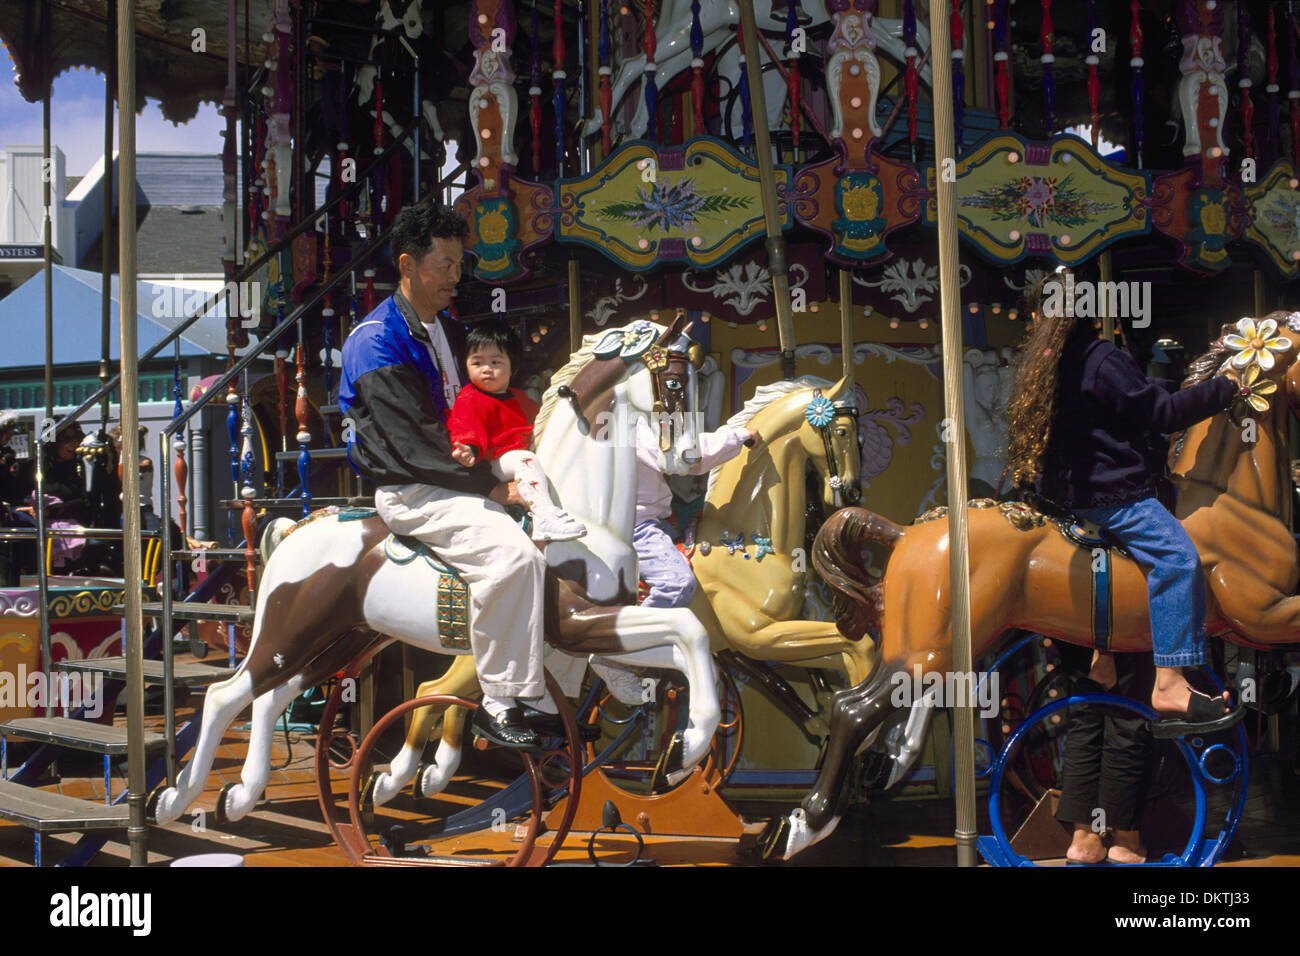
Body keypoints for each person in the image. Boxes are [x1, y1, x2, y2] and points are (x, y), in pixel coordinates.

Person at [339, 203, 561, 750]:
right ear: (409, 264)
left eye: (460, 265)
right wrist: (490, 485)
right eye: (445, 265)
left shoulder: (450, 329)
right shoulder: (375, 341)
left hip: (450, 477)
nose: (455, 278)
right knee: (514, 556)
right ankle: (501, 700)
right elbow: (412, 442)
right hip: (416, 487)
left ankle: (549, 690)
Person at [1004, 272, 1245, 738]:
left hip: (1067, 495)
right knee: (1177, 560)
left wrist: (1162, 378)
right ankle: (1171, 682)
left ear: (1041, 316)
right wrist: (1227, 388)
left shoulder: (1049, 364)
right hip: (1110, 494)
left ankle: (1108, 651)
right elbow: (1163, 415)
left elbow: (1136, 405)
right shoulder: (1099, 358)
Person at [589, 393, 761, 703]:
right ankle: (616, 653)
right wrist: (740, 435)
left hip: (647, 519)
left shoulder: (620, 419)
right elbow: (686, 458)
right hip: (634, 526)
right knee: (676, 582)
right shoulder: (628, 421)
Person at [447, 319, 587, 542]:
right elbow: (466, 426)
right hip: (495, 460)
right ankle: (544, 518)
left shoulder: (520, 398)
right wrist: (470, 449)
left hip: (521, 458)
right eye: (477, 362)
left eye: (495, 362)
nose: (486, 369)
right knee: (524, 459)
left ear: (512, 366)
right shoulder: (469, 397)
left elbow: (539, 424)